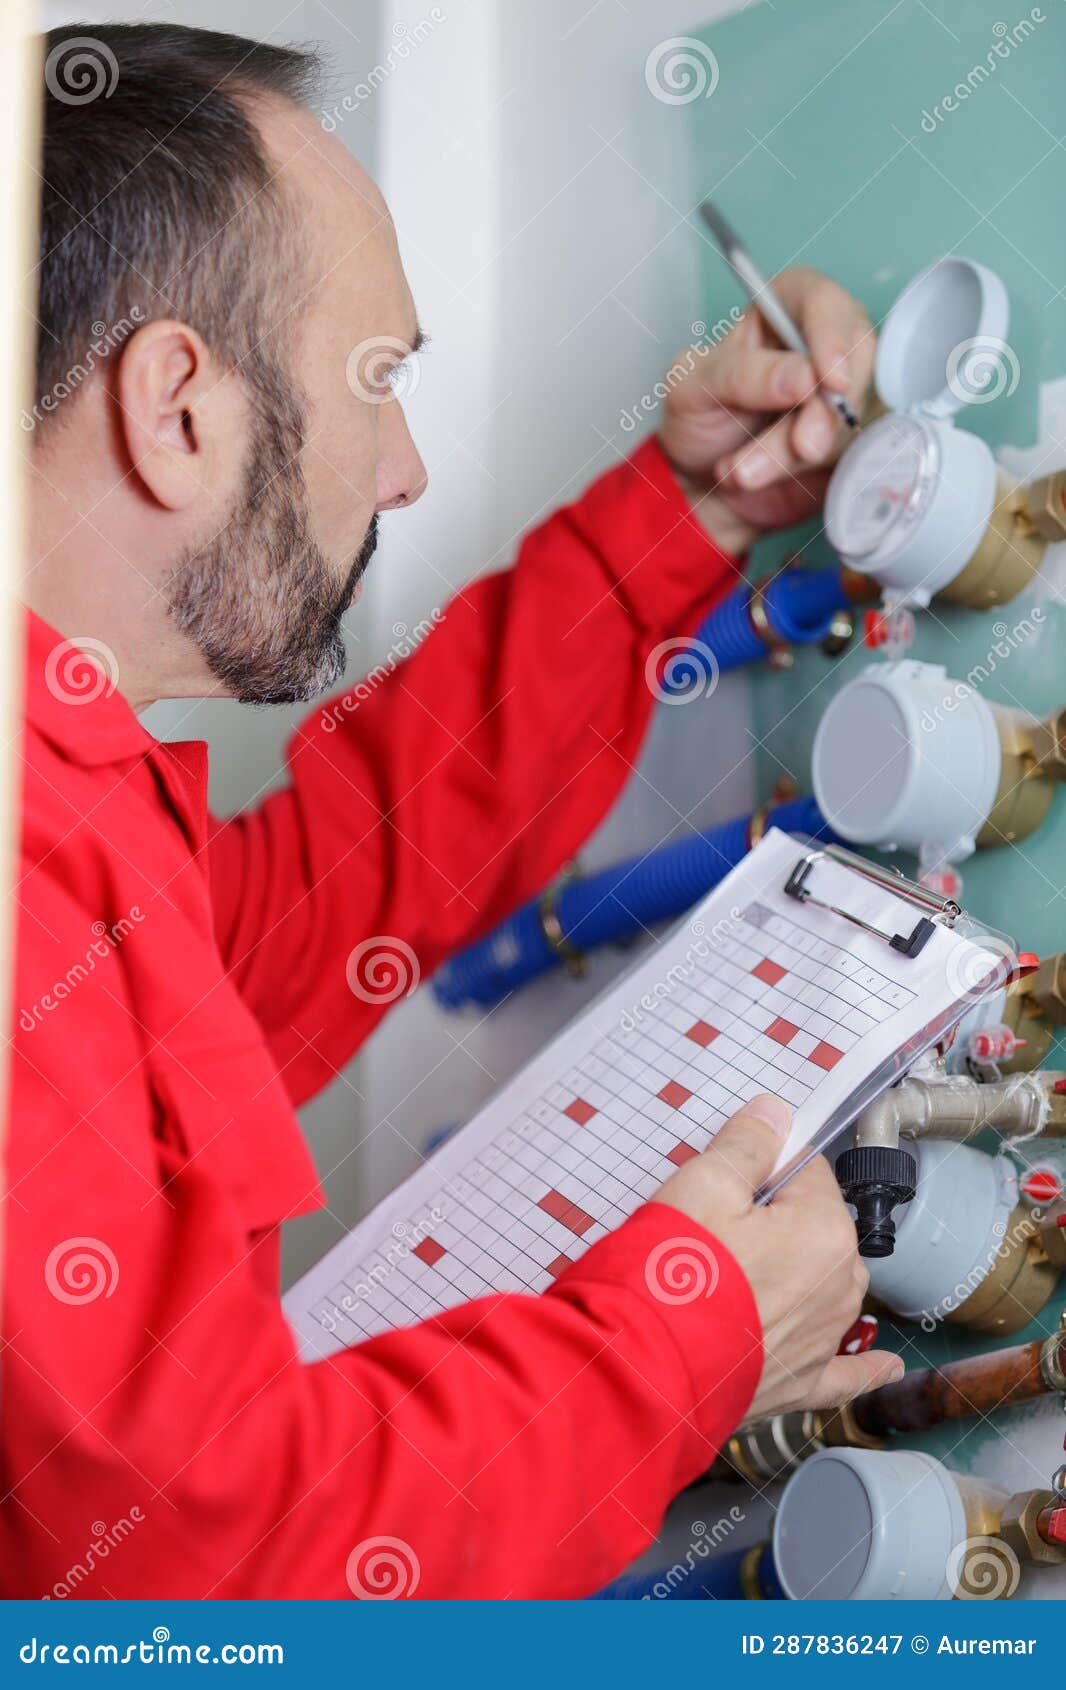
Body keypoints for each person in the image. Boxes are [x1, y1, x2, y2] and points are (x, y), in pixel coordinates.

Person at [3, 23, 901, 1600]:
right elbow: (203, 1566)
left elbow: (320, 901)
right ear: (178, 408)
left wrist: (678, 519)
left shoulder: (61, 806)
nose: (404, 469)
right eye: (377, 380)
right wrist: (685, 1333)